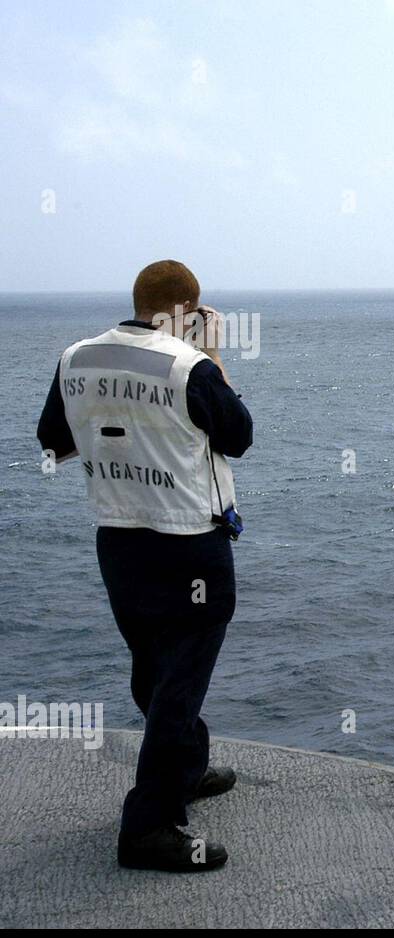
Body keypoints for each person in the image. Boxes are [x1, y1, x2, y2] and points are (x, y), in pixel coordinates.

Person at [36, 260, 253, 872]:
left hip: (120, 541)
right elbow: (237, 434)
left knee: (154, 667)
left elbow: (56, 442)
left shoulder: (77, 357)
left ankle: (184, 769)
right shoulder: (190, 366)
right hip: (189, 543)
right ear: (187, 311)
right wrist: (211, 355)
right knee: (180, 682)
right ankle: (150, 827)